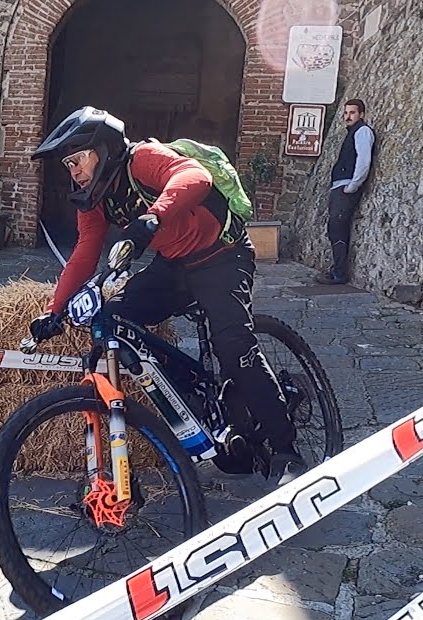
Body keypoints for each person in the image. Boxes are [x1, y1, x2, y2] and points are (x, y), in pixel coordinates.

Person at [27, 106, 305, 486]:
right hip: (174, 265)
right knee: (114, 318)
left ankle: (287, 450)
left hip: (222, 256)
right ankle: (192, 399)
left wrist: (154, 216)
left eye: (76, 160)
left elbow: (195, 176)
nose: (72, 171)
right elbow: (85, 252)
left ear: (101, 149)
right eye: (67, 165)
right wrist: (54, 310)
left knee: (233, 345)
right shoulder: (94, 198)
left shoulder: (141, 159)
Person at [316, 98, 374, 285]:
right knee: (335, 228)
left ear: (361, 114)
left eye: (352, 113)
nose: (348, 116)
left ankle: (339, 273)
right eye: (346, 113)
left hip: (346, 186)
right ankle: (337, 269)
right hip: (340, 185)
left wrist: (353, 185)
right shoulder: (353, 132)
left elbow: (364, 159)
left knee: (338, 227)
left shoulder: (362, 131)